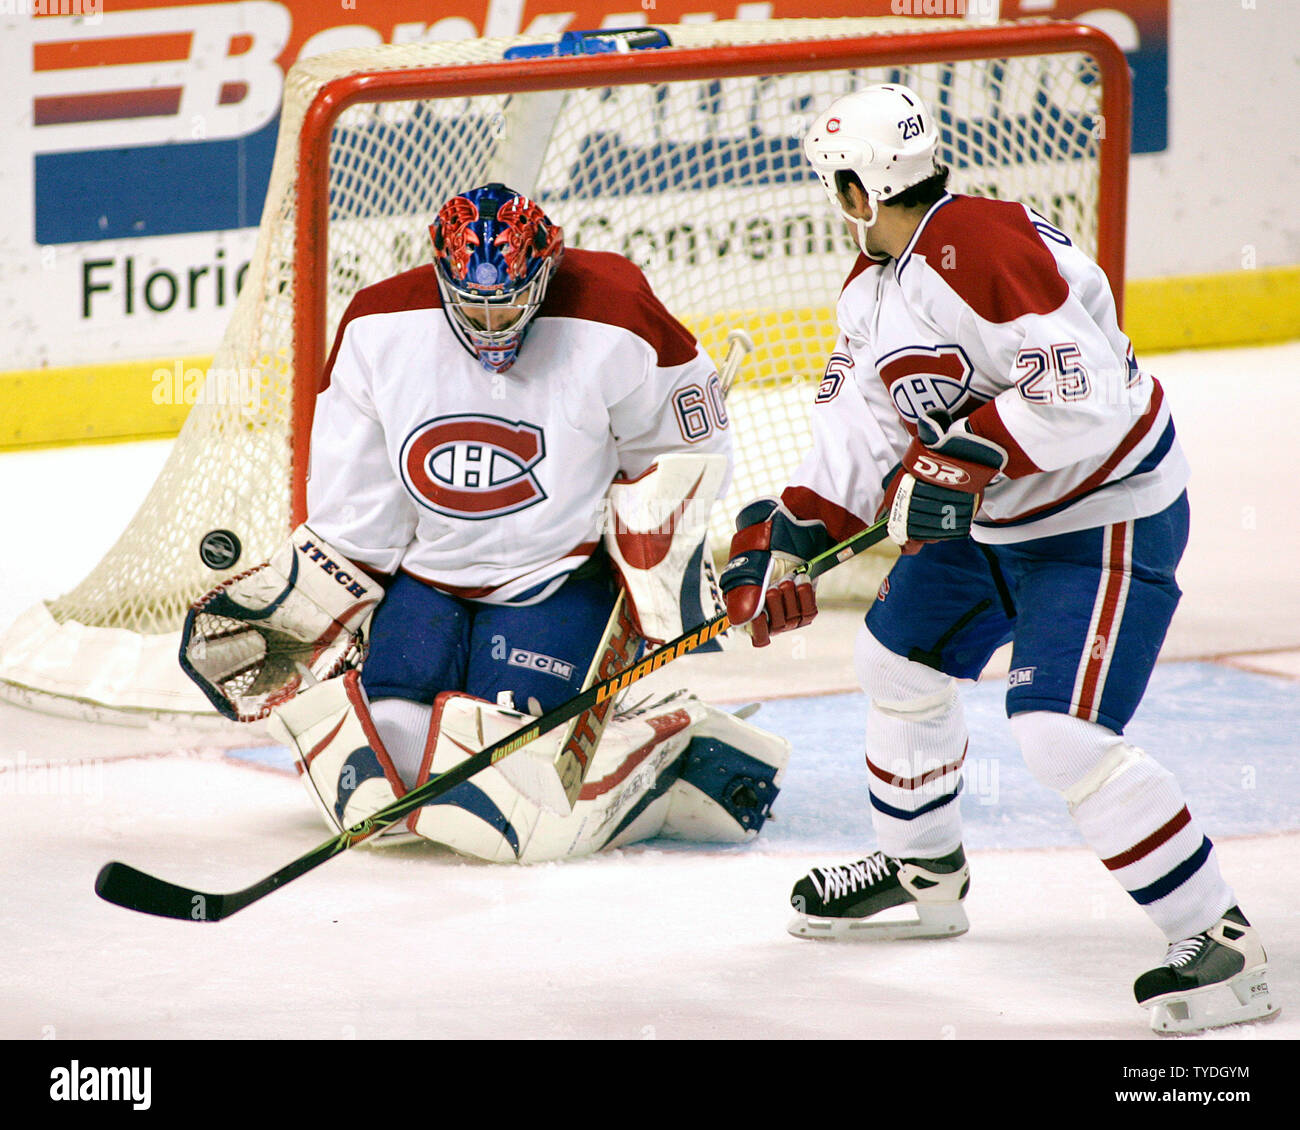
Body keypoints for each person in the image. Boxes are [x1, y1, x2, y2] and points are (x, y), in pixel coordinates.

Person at [719, 86, 1276, 1033]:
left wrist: (968, 453)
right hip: (996, 519)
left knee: (1058, 733)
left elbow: (1087, 392)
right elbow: (860, 424)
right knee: (891, 661)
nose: (835, 202)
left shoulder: (977, 247)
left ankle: (1220, 940)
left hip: (1103, 515)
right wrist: (795, 529)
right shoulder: (873, 286)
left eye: (835, 184)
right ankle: (923, 869)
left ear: (860, 188)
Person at [181, 182, 788, 863]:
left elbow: (684, 454)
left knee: (511, 790)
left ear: (546, 272)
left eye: (509, 303)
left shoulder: (615, 314)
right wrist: (311, 601)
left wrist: (652, 566)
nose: (492, 325)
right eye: (473, 303)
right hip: (430, 580)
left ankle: (674, 745)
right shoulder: (377, 328)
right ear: (441, 276)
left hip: (558, 577)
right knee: (391, 761)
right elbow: (360, 506)